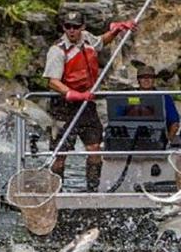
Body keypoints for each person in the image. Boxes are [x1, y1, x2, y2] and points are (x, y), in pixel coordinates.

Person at [43, 10, 137, 191]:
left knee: (94, 148)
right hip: (64, 105)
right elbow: (52, 81)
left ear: (82, 27)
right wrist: (71, 93)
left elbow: (101, 42)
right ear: (63, 28)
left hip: (87, 103)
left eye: (76, 27)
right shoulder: (57, 50)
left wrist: (116, 31)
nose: (72, 31)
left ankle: (92, 189)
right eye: (68, 27)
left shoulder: (86, 38)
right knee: (60, 153)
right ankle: (56, 191)